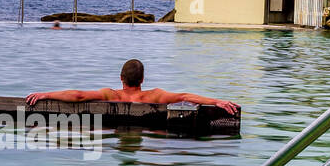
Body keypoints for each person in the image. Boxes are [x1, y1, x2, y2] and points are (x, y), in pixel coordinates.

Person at [26, 59, 240, 115]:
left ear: (121, 77)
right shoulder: (154, 96)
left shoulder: (111, 94)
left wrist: (44, 94)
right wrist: (217, 101)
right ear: (142, 79)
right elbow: (184, 96)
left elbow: (78, 95)